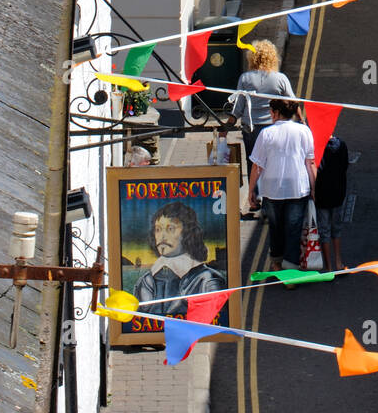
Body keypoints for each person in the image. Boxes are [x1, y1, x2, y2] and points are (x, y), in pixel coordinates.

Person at [248, 99, 316, 270]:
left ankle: (277, 262)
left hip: (272, 189)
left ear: (277, 113)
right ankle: (290, 269)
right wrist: (315, 188)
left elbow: (257, 166)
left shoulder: (266, 133)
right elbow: (311, 163)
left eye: (271, 112)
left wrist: (251, 191)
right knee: (294, 230)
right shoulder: (303, 130)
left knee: (275, 227)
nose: (270, 115)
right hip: (298, 187)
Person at [226, 39, 295, 206]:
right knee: (273, 162)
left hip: (251, 129)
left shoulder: (245, 78)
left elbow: (238, 107)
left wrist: (226, 126)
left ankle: (255, 198)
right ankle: (271, 197)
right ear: (272, 58)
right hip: (274, 128)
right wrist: (298, 121)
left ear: (252, 58)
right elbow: (292, 102)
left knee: (254, 163)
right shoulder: (280, 78)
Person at [135, 203, 227, 316]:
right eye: (158, 229)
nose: (162, 236)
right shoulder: (146, 282)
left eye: (170, 228)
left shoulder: (208, 281)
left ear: (188, 233)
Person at [314, 133, 349, 271]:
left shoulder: (316, 147)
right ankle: (338, 262)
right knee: (336, 228)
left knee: (324, 231)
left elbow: (313, 169)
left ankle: (328, 267)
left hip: (321, 195)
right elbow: (345, 167)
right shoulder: (342, 146)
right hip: (337, 193)